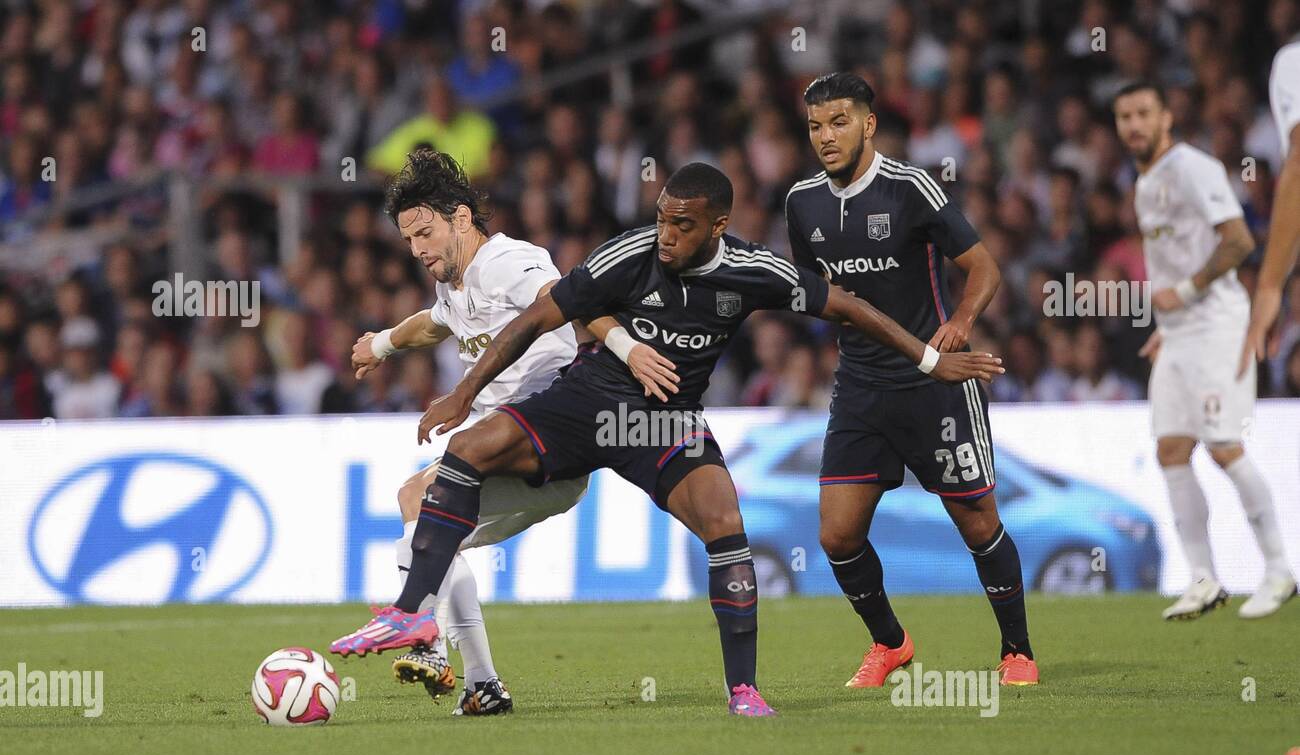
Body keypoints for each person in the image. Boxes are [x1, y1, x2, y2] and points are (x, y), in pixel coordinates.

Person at [332, 161, 1004, 718]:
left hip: (659, 418)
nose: (666, 235)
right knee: (455, 460)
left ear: (718, 226)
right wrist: (428, 371)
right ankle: (419, 624)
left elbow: (846, 305)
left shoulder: (748, 270)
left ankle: (743, 688)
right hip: (586, 400)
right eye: (661, 218)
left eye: (682, 224)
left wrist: (928, 361)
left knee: (724, 521)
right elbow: (539, 313)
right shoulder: (619, 253)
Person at [333, 149, 670, 716]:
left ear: (461, 218)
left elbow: (568, 304)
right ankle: (482, 683)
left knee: (422, 508)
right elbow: (430, 325)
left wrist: (627, 346)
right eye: (409, 240)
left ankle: (429, 641)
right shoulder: (456, 285)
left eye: (425, 232)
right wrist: (383, 344)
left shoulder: (509, 261)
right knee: (430, 532)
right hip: (507, 453)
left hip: (544, 439)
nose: (417, 250)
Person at [785, 72, 1038, 689]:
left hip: (936, 384)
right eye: (816, 125)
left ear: (869, 124)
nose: (826, 136)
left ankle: (1017, 652)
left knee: (978, 523)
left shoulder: (911, 188)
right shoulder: (801, 203)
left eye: (839, 121)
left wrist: (961, 320)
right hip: (860, 388)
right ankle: (890, 643)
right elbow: (817, 295)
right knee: (837, 534)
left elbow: (983, 266)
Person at [1115, 81, 1294, 620]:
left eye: (1144, 112)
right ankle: (1202, 577)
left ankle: (1281, 568)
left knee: (1221, 446)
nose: (1134, 125)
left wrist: (1188, 293)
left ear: (1167, 116)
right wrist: (1167, 322)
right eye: (1125, 116)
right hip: (1180, 332)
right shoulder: (1144, 182)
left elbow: (1240, 241)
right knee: (1171, 449)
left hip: (1218, 322)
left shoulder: (1192, 167)